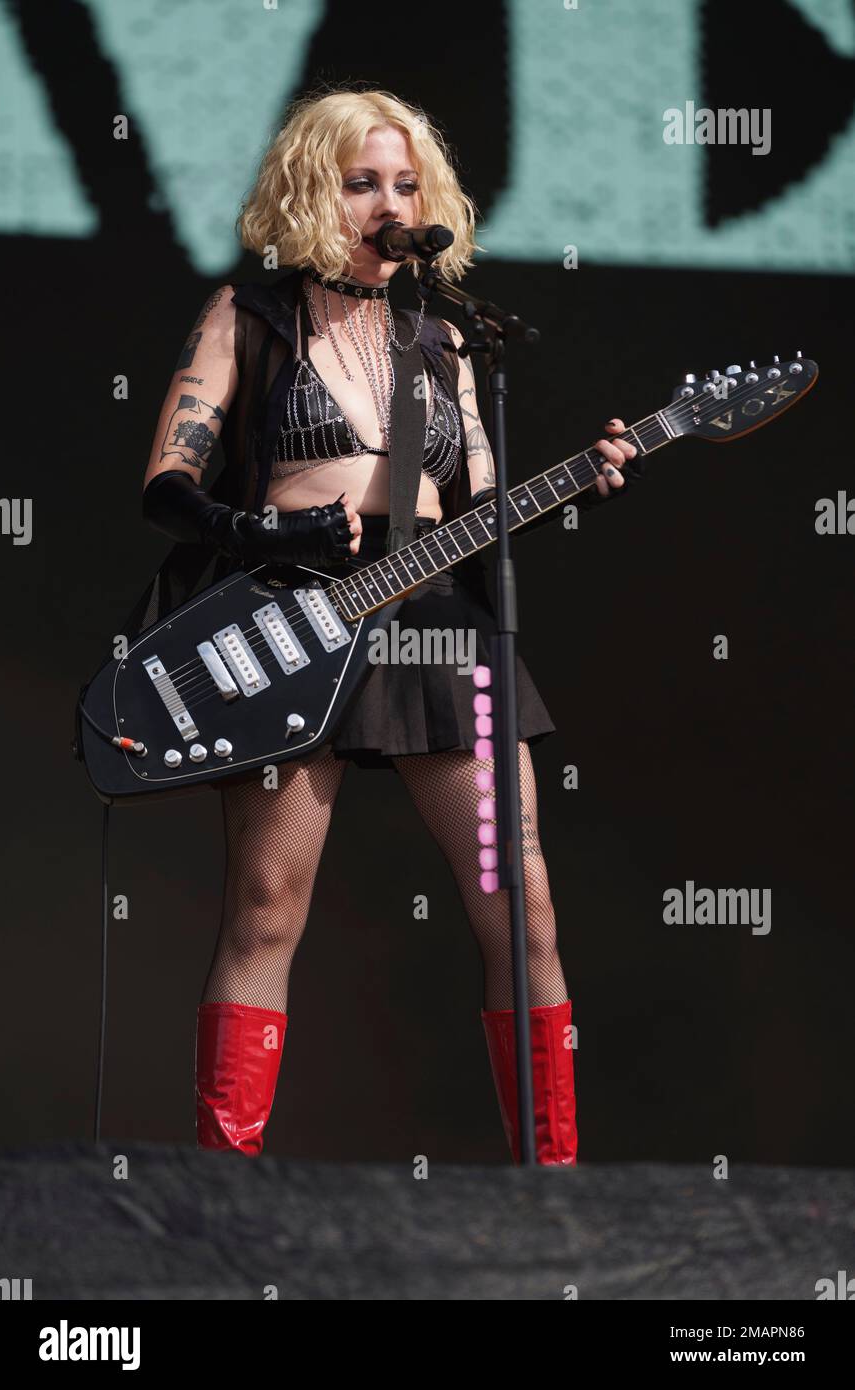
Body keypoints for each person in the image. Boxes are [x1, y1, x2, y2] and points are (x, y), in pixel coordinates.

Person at [137, 88, 639, 1164]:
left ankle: (553, 1183)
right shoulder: (249, 317)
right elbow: (167, 484)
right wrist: (263, 531)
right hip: (290, 618)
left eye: (406, 184)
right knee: (266, 908)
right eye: (362, 182)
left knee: (523, 905)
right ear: (311, 191)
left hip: (436, 624)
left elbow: (481, 507)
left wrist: (582, 487)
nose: (389, 203)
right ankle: (219, 1187)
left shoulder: (444, 337)